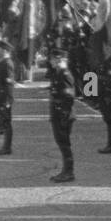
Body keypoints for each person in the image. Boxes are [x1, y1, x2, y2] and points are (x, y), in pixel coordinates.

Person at [48, 55, 76, 183]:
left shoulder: (65, 75)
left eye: (53, 59)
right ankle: (65, 170)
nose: (51, 61)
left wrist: (64, 113)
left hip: (63, 113)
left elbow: (69, 97)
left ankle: (69, 172)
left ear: (59, 60)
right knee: (61, 143)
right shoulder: (58, 73)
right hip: (58, 112)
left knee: (64, 144)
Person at [97, 50, 111, 154]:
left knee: (110, 119)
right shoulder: (103, 56)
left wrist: (108, 92)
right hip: (103, 92)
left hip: (108, 93)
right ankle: (110, 144)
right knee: (107, 119)